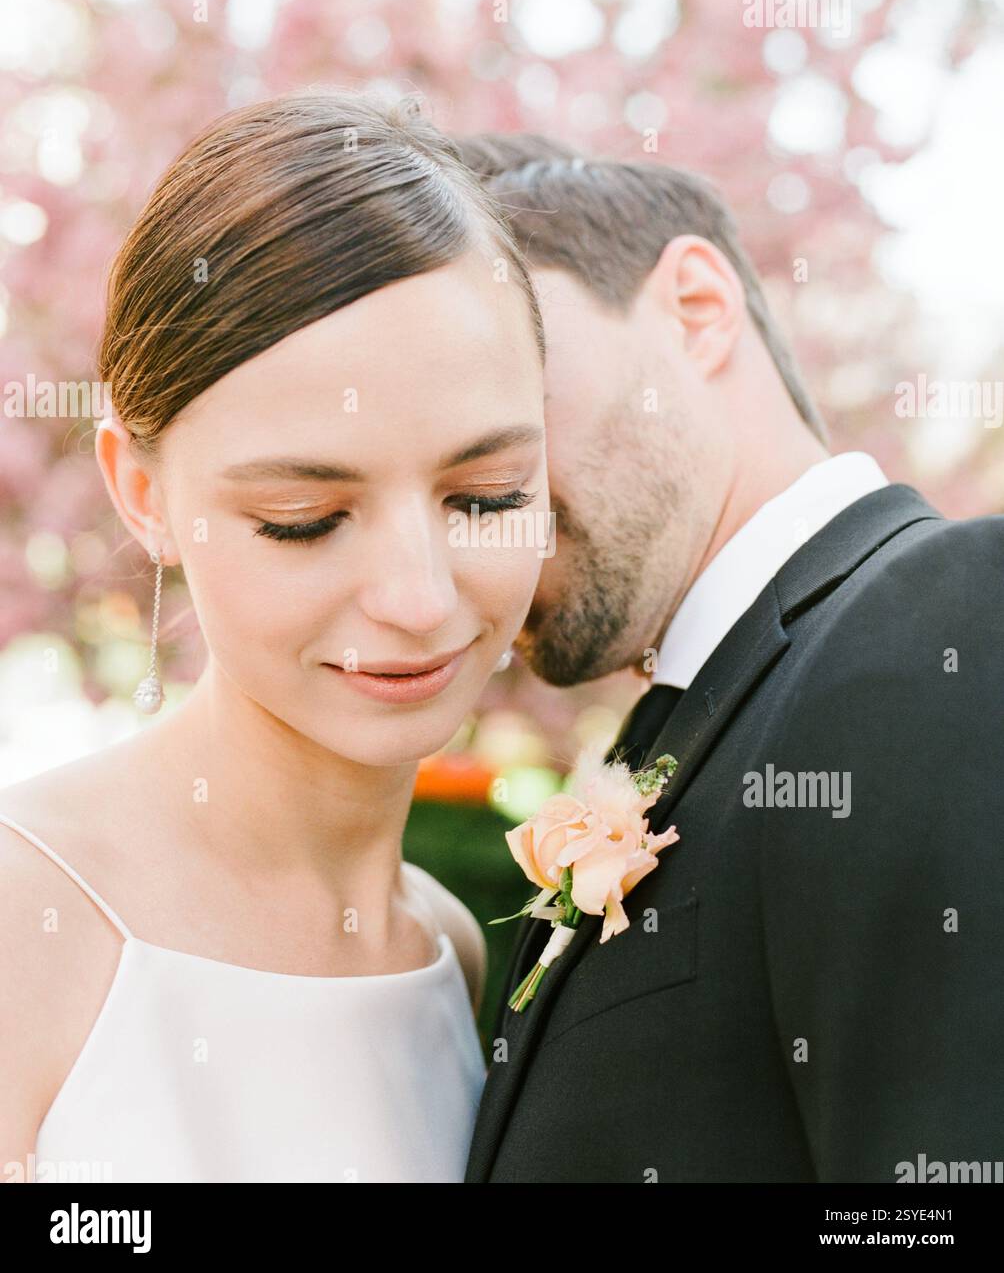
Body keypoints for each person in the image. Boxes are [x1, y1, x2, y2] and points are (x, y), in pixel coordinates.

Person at [0, 91, 552, 1183]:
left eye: (486, 496)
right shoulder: (29, 919)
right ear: (140, 490)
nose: (418, 596)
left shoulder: (453, 946)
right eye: (304, 517)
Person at [455, 133, 1004, 1183]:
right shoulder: (693, 723)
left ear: (695, 309)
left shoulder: (941, 621)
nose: (474, 509)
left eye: (498, 393)